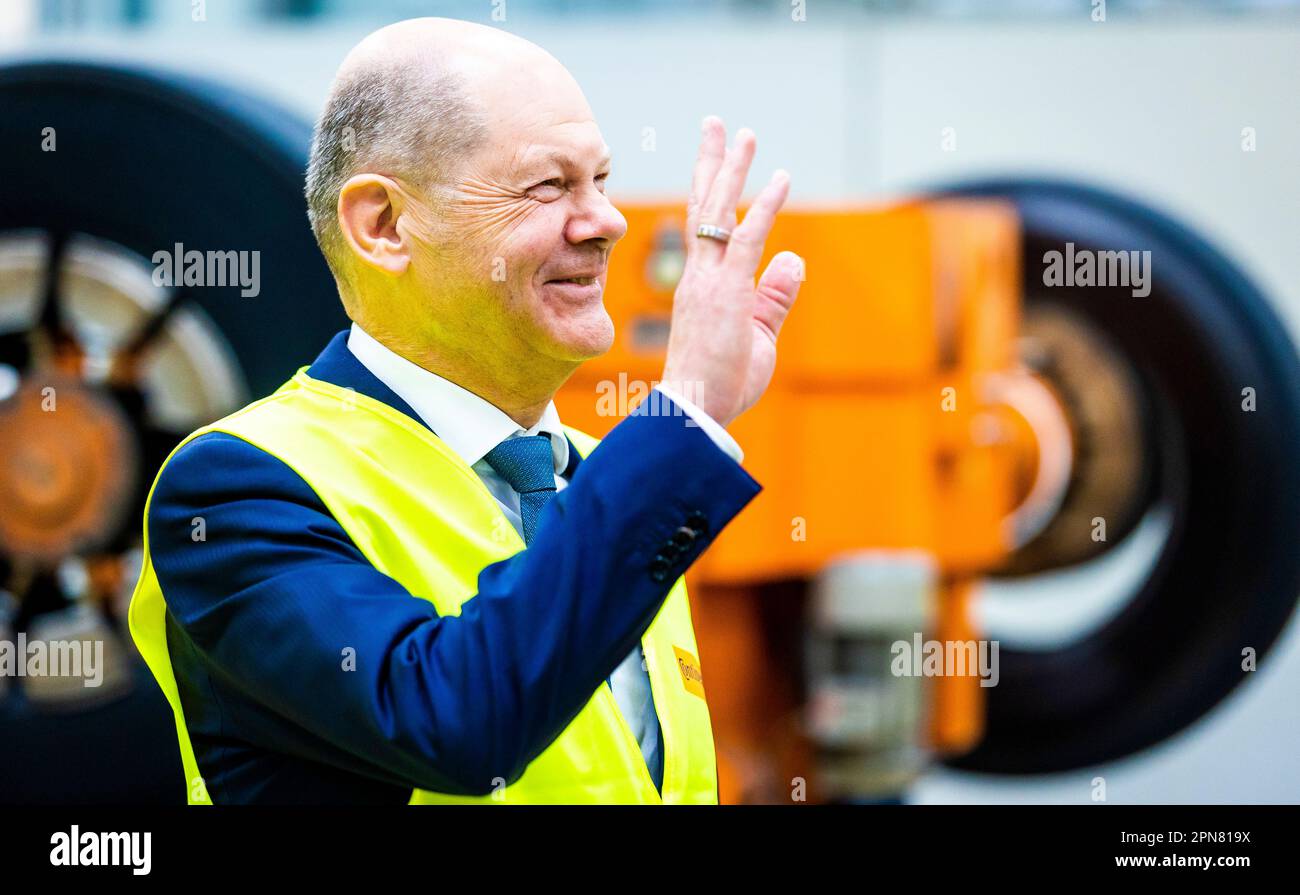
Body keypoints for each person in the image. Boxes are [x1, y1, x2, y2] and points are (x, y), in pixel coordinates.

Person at [129, 16, 803, 804]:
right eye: (548, 186)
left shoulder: (600, 480)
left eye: (601, 181)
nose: (608, 222)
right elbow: (457, 723)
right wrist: (685, 413)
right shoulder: (237, 490)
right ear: (384, 225)